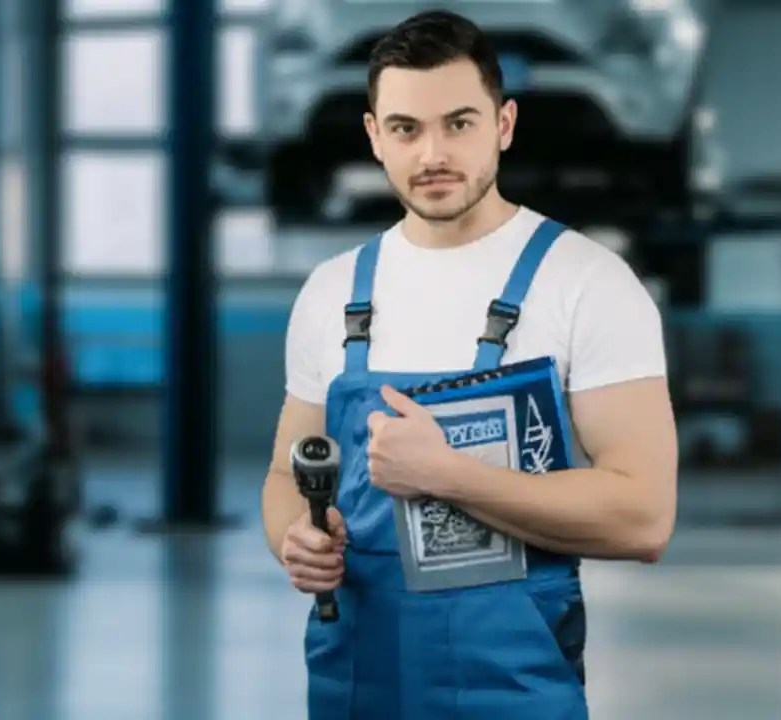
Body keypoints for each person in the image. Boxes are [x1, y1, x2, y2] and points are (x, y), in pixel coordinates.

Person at [260, 9, 678, 719]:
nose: (432, 155)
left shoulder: (586, 282)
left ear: (504, 125)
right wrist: (293, 539)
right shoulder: (332, 292)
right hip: (357, 685)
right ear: (374, 137)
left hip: (512, 691)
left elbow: (642, 518)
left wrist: (447, 476)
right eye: (405, 129)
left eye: (459, 123)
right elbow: (284, 474)